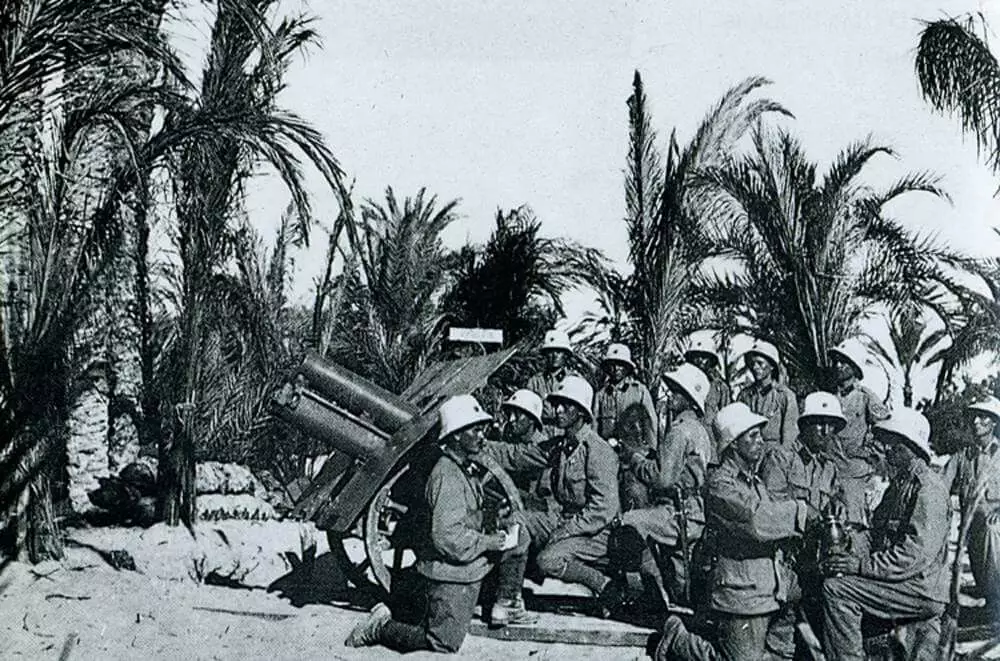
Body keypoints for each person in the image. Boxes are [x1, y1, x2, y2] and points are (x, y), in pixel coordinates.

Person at [345, 395, 532, 652]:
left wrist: (493, 518)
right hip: (450, 572)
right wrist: (487, 541)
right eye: (475, 430)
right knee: (444, 643)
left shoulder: (462, 468)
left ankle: (504, 605)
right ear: (456, 435)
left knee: (520, 538)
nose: (482, 436)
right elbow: (447, 537)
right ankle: (380, 627)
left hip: (465, 562)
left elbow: (466, 516)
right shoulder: (447, 476)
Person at [654, 402, 817, 661]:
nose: (761, 442)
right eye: (752, 436)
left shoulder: (756, 482)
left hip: (772, 588)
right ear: (733, 444)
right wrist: (801, 513)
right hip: (740, 593)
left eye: (760, 435)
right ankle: (677, 637)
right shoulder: (719, 485)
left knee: (780, 654)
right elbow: (755, 520)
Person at [820, 408, 951, 661]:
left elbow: (913, 555)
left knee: (837, 589)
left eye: (893, 443)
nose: (886, 449)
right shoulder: (899, 486)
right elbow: (876, 536)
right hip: (905, 583)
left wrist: (859, 565)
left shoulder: (928, 489)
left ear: (910, 446)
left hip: (920, 588)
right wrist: (848, 542)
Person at [760, 392, 874, 656]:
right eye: (819, 423)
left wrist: (838, 504)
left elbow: (833, 500)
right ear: (804, 424)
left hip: (812, 563)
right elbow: (771, 510)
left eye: (832, 425)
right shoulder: (780, 458)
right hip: (782, 562)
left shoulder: (829, 468)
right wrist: (812, 514)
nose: (826, 431)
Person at [612, 363, 713, 609]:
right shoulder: (698, 429)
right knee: (680, 581)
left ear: (689, 400)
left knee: (628, 523)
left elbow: (661, 479)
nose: (671, 395)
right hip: (694, 510)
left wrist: (634, 458)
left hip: (678, 513)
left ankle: (649, 592)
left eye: (677, 392)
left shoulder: (679, 432)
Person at [525, 375, 624, 616]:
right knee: (519, 521)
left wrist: (565, 531)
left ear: (581, 412)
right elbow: (518, 455)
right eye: (557, 404)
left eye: (565, 405)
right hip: (566, 521)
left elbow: (603, 508)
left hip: (597, 532)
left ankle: (604, 586)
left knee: (547, 561)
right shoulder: (561, 446)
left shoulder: (597, 450)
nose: (557, 410)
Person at [943, 395, 1000, 622]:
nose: (976, 421)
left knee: (991, 532)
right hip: (970, 526)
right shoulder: (963, 455)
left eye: (983, 417)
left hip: (995, 525)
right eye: (974, 417)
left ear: (994, 422)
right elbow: (941, 485)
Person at [593, 343, 657, 509]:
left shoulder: (639, 391)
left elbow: (650, 424)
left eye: (621, 364)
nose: (616, 368)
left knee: (636, 498)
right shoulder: (600, 396)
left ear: (628, 367)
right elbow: (594, 426)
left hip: (634, 459)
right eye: (612, 364)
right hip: (608, 459)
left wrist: (651, 453)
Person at [828, 338, 890, 463]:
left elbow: (886, 427)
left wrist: (868, 450)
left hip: (855, 470)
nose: (838, 365)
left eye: (843, 362)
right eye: (836, 361)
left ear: (855, 367)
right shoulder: (827, 397)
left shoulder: (865, 397)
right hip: (827, 467)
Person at [737, 339, 799, 448]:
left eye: (760, 363)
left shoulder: (785, 396)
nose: (755, 367)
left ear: (772, 366)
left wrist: (782, 459)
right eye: (752, 363)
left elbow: (789, 438)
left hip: (775, 456)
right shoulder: (744, 396)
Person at [527, 329, 580, 437]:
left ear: (566, 354)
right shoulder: (535, 382)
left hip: (566, 433)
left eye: (559, 351)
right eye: (550, 352)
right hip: (541, 433)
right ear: (545, 355)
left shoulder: (574, 381)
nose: (554, 355)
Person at [684, 329, 731, 431]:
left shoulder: (720, 387)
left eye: (704, 357)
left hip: (710, 438)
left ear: (711, 360)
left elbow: (726, 417)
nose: (700, 361)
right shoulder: (683, 383)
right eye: (696, 356)